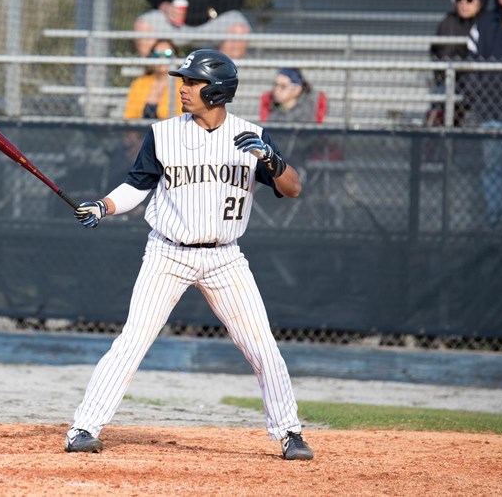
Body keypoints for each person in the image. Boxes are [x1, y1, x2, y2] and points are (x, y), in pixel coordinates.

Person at [67, 49, 314, 461]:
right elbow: (136, 186)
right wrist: (104, 206)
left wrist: (272, 159)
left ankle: (289, 431)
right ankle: (83, 428)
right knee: (132, 341)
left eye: (193, 82)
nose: (183, 88)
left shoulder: (252, 134)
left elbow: (293, 189)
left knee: (261, 346)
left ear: (217, 91)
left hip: (225, 257)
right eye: (184, 80)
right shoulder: (163, 133)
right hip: (168, 253)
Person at [465, 0, 502, 228]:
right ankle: (496, 221)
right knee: (493, 169)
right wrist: (479, 99)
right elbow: (472, 66)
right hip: (491, 113)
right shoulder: (485, 23)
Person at [427, 0, 487, 126]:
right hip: (451, 82)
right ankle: (433, 140)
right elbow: (441, 55)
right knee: (439, 98)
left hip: (481, 85)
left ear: (480, 2)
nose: (464, 3)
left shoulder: (488, 24)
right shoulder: (448, 22)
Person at [122, 39, 184, 120]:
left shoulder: (183, 85)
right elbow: (129, 116)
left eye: (168, 54)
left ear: (176, 57)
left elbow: (181, 118)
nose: (162, 59)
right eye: (156, 55)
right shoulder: (140, 83)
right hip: (140, 131)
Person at [259, 68, 326, 124]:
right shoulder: (272, 109)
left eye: (283, 86)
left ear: (296, 90)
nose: (277, 90)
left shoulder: (308, 109)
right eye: (275, 85)